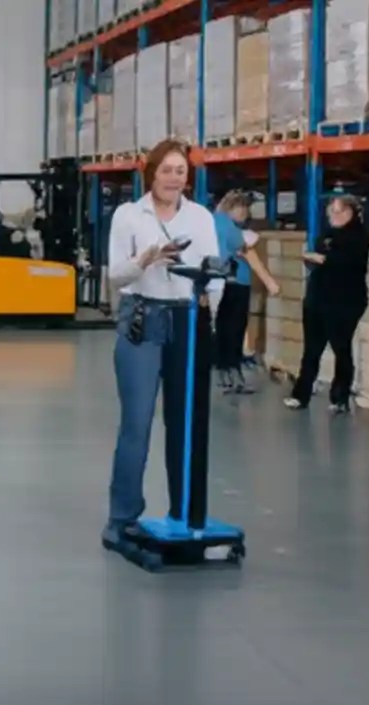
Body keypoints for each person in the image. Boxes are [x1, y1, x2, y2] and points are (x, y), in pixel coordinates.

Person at [102, 139, 224, 547]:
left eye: (180, 172)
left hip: (187, 319)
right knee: (136, 423)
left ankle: (183, 510)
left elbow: (215, 272)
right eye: (167, 170)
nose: (174, 178)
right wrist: (146, 259)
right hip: (142, 318)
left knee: (184, 421)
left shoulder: (200, 217)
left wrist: (210, 307)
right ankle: (121, 518)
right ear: (151, 174)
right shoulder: (128, 215)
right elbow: (115, 276)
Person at [286, 194, 369, 413]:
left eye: (339, 211)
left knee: (341, 347)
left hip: (345, 301)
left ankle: (340, 397)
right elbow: (319, 256)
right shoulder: (326, 234)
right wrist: (314, 260)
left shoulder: (358, 236)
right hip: (317, 298)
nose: (334, 215)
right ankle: (300, 395)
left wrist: (324, 259)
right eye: (331, 211)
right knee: (311, 349)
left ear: (351, 212)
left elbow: (349, 263)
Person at [212, 190, 281, 393]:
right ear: (232, 207)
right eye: (243, 209)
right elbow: (247, 252)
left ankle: (224, 372)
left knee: (222, 327)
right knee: (235, 328)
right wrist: (269, 282)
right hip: (236, 282)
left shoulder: (212, 222)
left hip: (216, 282)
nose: (246, 214)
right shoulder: (228, 226)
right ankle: (234, 373)